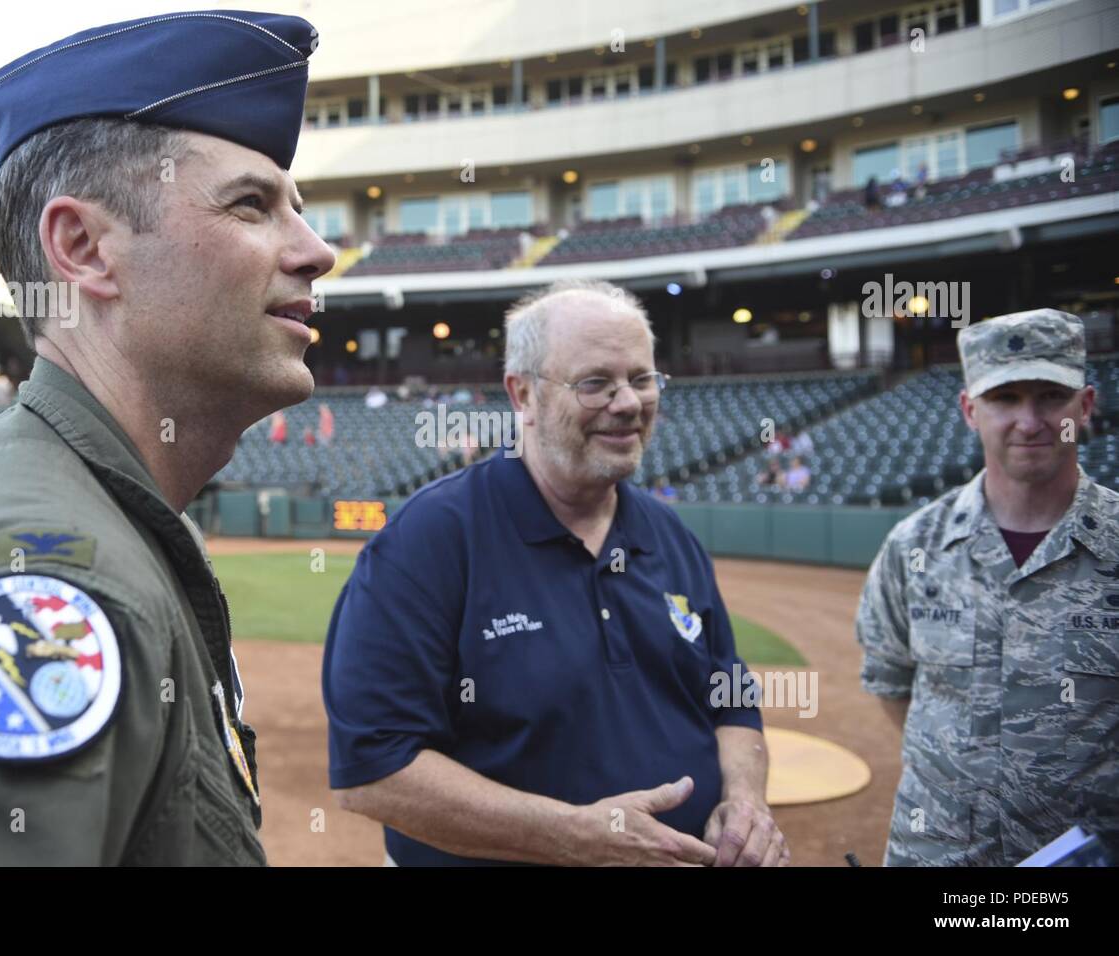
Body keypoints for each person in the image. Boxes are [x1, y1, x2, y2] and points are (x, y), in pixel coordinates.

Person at [0, 9, 335, 865]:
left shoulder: (110, 515)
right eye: (252, 205)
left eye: (297, 209)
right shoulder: (38, 582)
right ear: (84, 249)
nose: (316, 251)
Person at [323, 279, 788, 867]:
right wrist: (571, 837)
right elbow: (372, 771)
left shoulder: (672, 539)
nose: (627, 403)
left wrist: (746, 800)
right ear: (523, 395)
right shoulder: (430, 540)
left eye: (642, 379)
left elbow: (731, 699)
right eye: (595, 383)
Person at [856, 308, 1118, 866]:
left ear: (1086, 407)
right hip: (939, 857)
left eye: (1050, 396)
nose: (1029, 421)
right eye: (1004, 399)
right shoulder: (914, 547)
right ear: (970, 410)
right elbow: (891, 683)